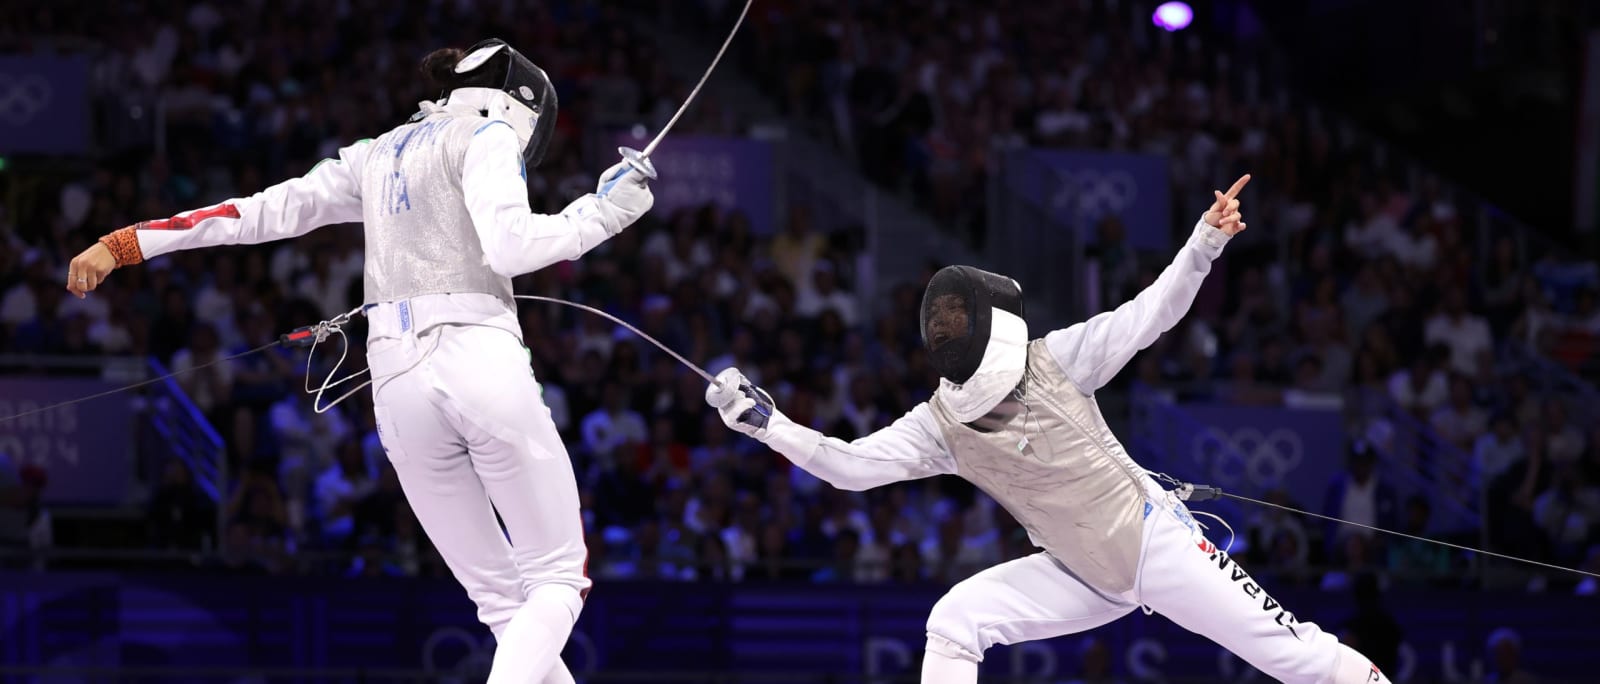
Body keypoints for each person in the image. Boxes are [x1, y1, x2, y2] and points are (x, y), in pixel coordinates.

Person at [64, 38, 654, 684]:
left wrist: (126, 244)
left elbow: (262, 210)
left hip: (395, 385)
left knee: (506, 610)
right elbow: (512, 247)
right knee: (559, 578)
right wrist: (606, 211)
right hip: (476, 358)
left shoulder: (378, 154)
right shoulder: (486, 137)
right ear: (515, 104)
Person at [707, 176, 1393, 684]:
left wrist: (1203, 242)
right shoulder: (941, 422)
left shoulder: (1056, 362)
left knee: (1298, 655)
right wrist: (768, 424)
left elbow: (1151, 313)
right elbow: (850, 467)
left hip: (1157, 544)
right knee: (955, 621)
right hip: (1079, 574)